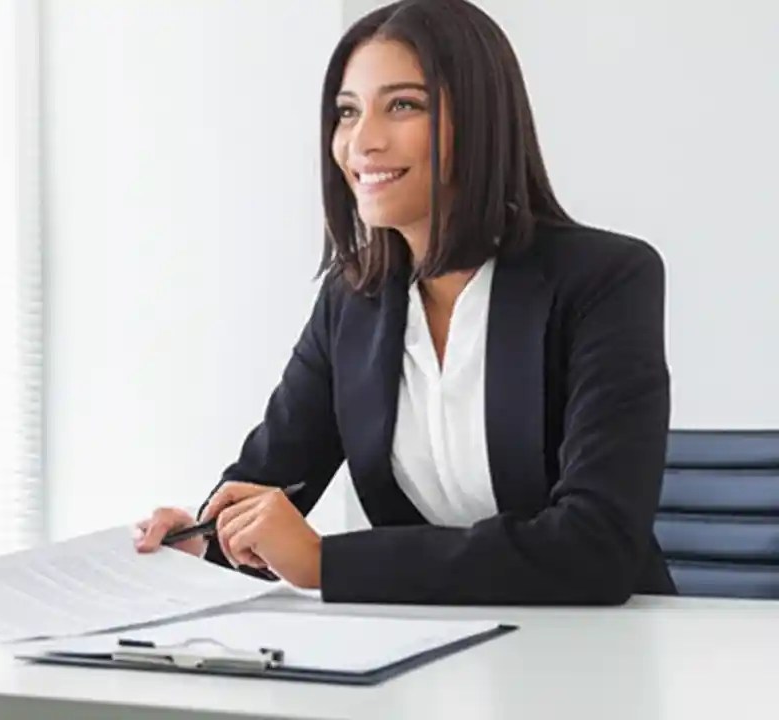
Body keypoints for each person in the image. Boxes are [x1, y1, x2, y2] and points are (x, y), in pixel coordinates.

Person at [135, 0, 675, 605]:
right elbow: (270, 479)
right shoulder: (352, 301)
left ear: (478, 120)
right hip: (427, 652)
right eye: (347, 112)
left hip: (603, 655)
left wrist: (327, 562)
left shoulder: (605, 279)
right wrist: (206, 538)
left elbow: (595, 549)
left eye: (403, 105)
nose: (362, 141)